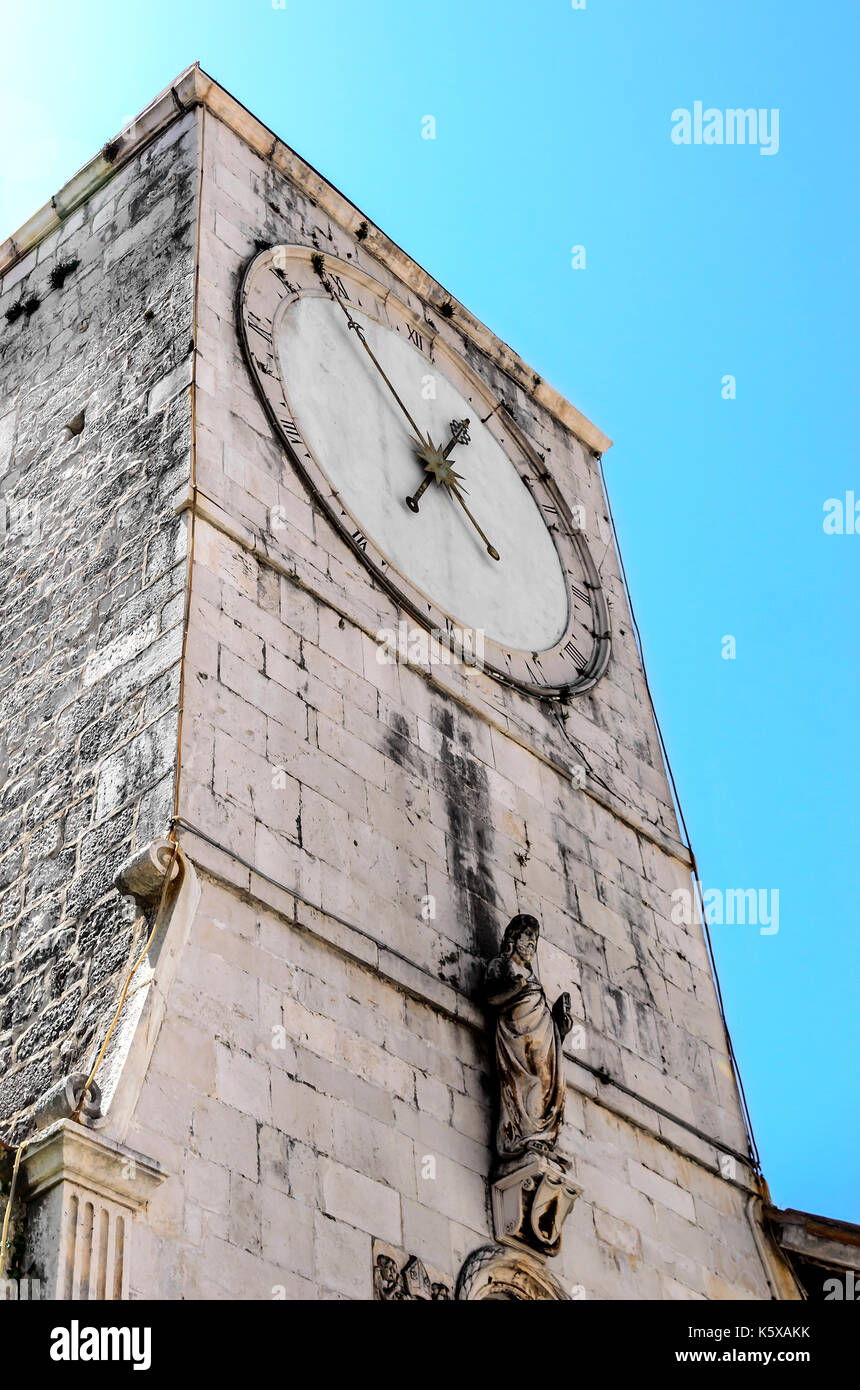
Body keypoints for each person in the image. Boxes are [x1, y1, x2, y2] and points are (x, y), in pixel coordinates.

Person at [485, 914, 572, 1160]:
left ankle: (542, 1137)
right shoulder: (501, 966)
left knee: (546, 1083)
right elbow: (490, 998)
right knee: (527, 1084)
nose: (532, 942)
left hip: (543, 1044)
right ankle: (524, 1136)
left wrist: (560, 1027)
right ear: (513, 937)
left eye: (535, 938)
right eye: (527, 936)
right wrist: (515, 988)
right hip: (516, 1040)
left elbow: (539, 1013)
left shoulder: (532, 977)